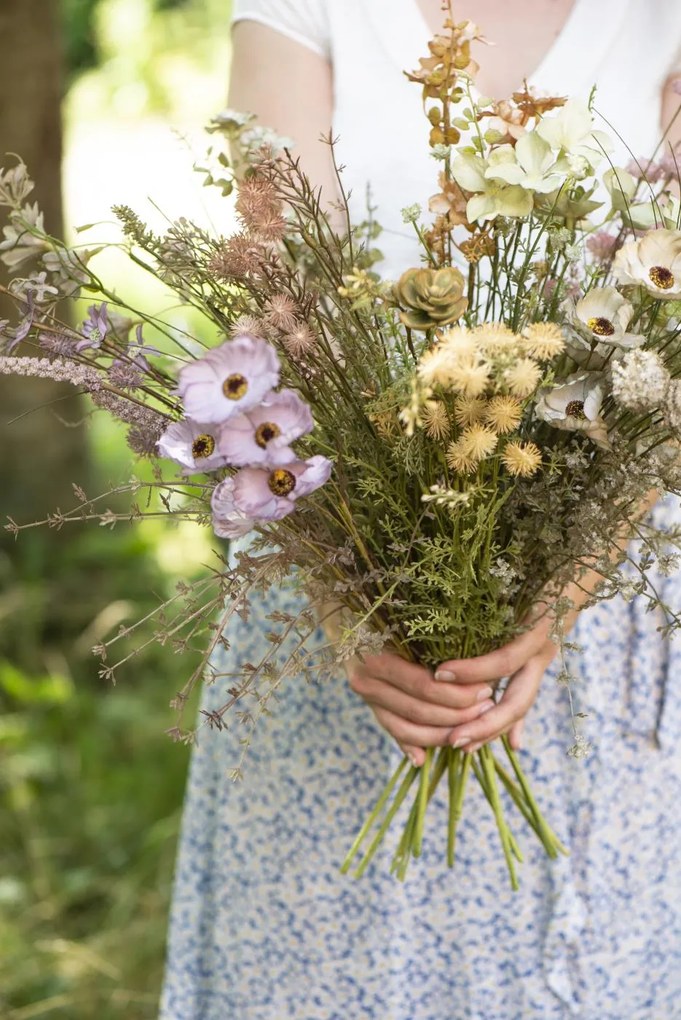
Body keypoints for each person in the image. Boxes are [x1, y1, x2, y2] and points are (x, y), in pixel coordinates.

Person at [160, 3, 681, 1017]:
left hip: (600, 615)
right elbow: (275, 301)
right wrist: (348, 605)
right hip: (336, 590)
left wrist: (557, 600)